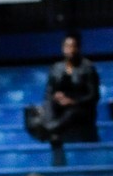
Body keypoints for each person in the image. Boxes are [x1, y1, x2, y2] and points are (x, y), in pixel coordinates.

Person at [29, 33, 101, 166]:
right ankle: (52, 129)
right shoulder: (56, 68)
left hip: (80, 107)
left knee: (73, 111)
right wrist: (57, 97)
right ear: (63, 48)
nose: (71, 50)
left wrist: (73, 101)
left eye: (73, 46)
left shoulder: (88, 67)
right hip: (60, 106)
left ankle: (49, 129)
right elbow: (48, 92)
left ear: (78, 48)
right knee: (48, 103)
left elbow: (94, 96)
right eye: (68, 46)